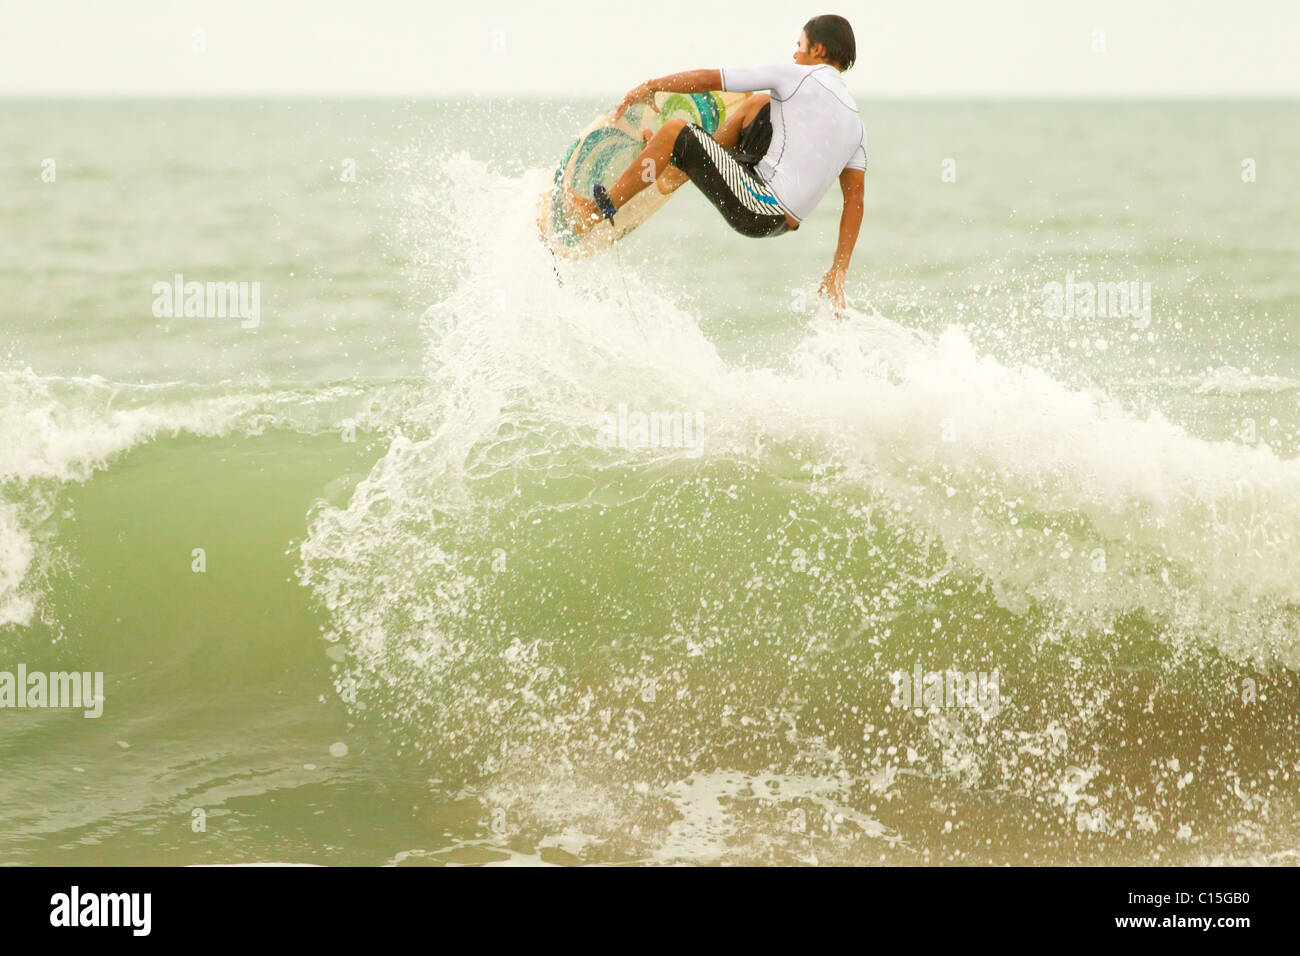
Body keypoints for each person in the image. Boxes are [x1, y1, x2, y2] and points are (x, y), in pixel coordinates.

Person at [562, 14, 867, 309]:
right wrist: (838, 269)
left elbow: (711, 79)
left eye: (800, 45)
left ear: (817, 49)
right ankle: (671, 167)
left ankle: (592, 214)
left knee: (675, 130)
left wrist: (652, 85)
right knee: (759, 103)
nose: (795, 54)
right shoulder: (856, 123)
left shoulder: (797, 76)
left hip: (761, 203)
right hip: (780, 217)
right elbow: (855, 199)